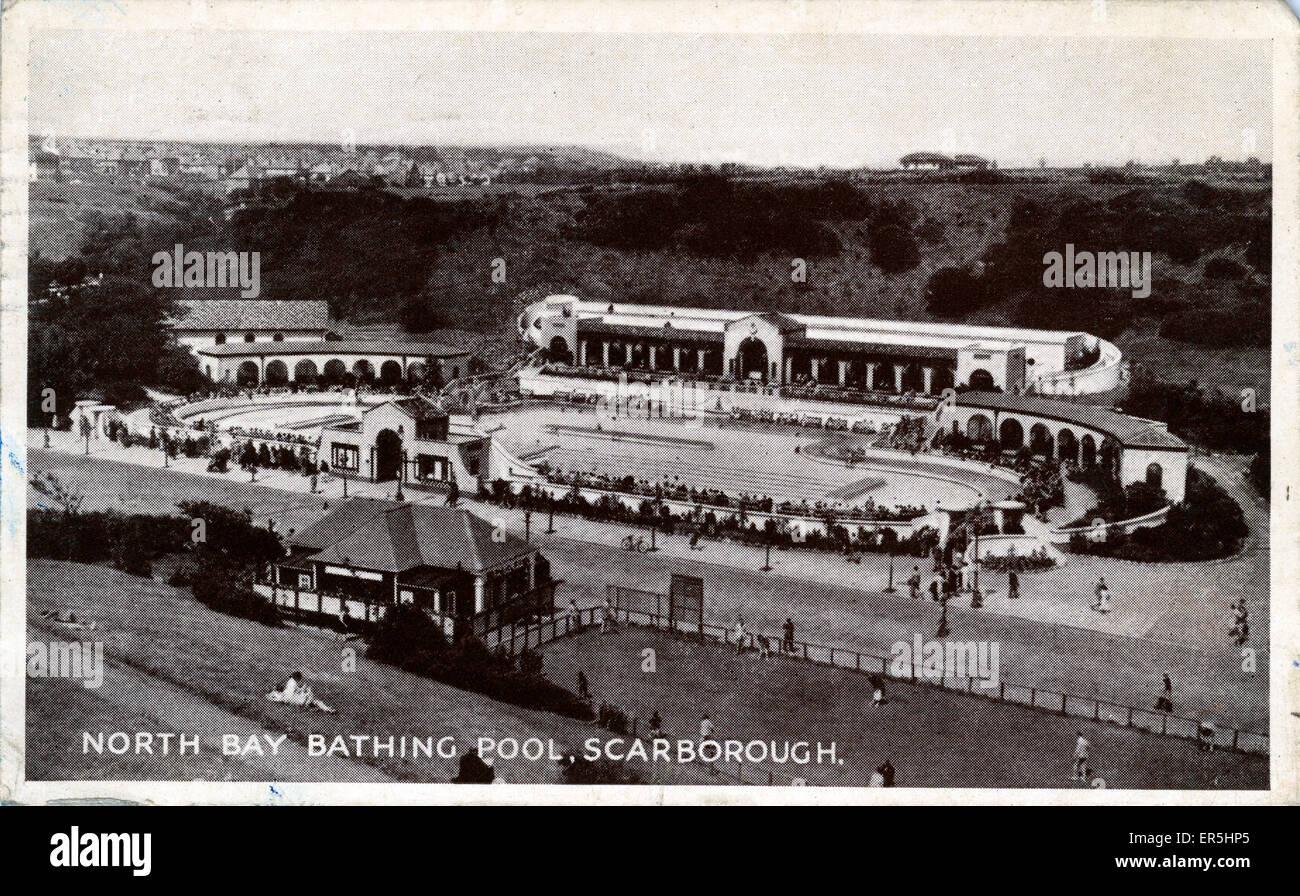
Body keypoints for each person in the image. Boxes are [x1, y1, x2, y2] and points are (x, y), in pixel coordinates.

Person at [267, 671, 336, 713]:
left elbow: (293, 691)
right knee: (315, 701)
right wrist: (305, 690)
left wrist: (302, 689)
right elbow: (288, 697)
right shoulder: (291, 684)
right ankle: (327, 710)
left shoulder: (290, 684)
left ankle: (317, 708)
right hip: (298, 701)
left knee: (314, 701)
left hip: (296, 700)